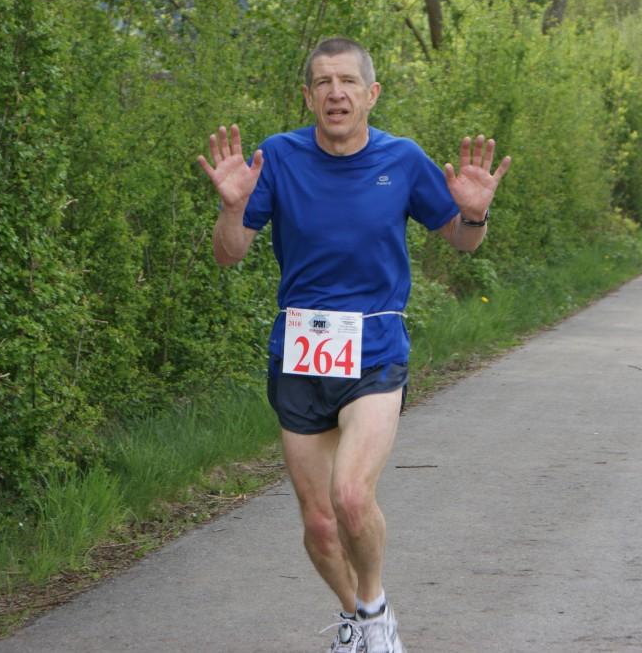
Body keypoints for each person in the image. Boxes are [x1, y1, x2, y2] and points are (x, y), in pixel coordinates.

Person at [197, 37, 510, 653]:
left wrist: (474, 215)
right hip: (301, 352)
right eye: (323, 82)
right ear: (308, 95)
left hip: (375, 348)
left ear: (372, 94)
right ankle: (356, 616)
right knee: (319, 523)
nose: (335, 93)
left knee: (349, 494)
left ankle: (373, 608)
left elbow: (462, 240)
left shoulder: (403, 158)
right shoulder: (278, 157)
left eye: (347, 82)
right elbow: (229, 254)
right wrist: (232, 208)